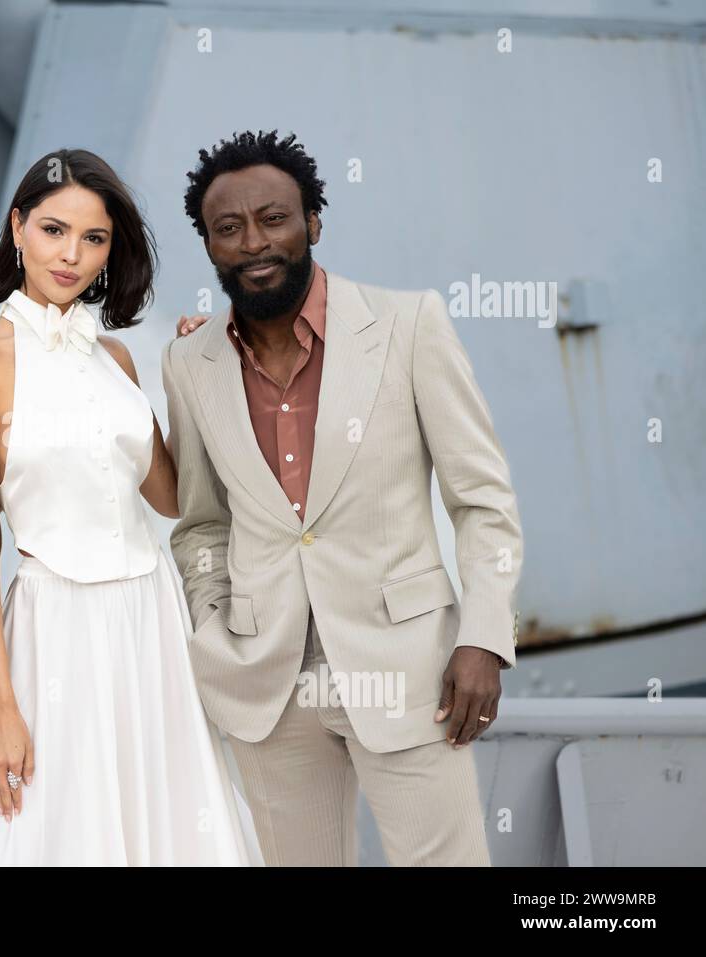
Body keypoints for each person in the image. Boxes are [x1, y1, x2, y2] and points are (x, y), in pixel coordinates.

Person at [166, 129, 523, 865]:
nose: (254, 241)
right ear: (208, 246)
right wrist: (213, 624)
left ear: (313, 224)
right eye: (228, 228)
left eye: (274, 218)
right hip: (266, 680)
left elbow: (482, 499)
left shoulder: (408, 324)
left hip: (410, 668)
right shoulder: (188, 362)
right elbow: (201, 523)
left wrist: (483, 635)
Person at [0, 148, 262, 865]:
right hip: (54, 628)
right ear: (18, 226)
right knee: (54, 829)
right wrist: (0, 705)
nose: (72, 256)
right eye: (55, 231)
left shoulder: (113, 359)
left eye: (94, 239)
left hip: (153, 618)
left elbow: (171, 495)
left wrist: (192, 380)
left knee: (174, 826)